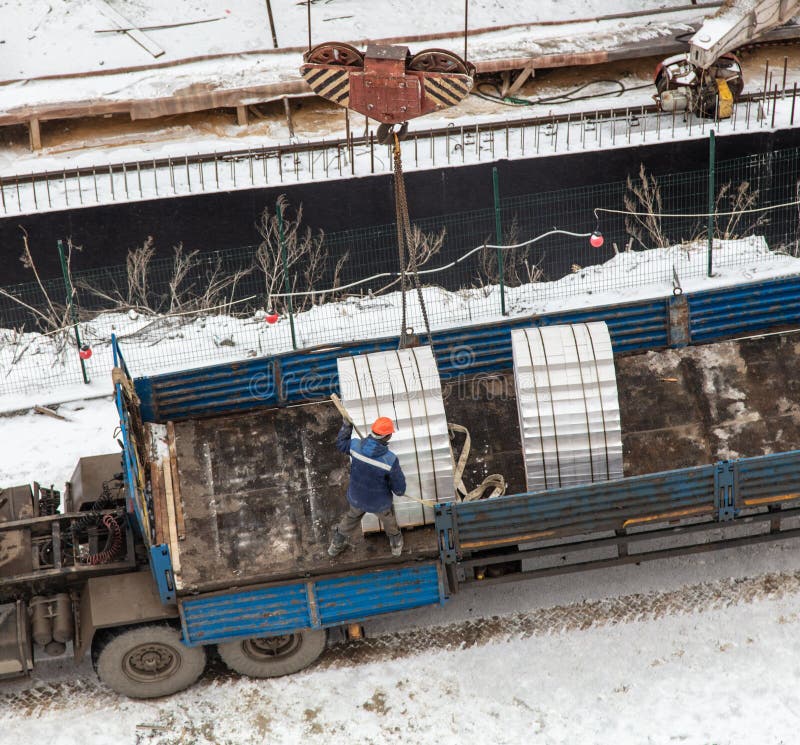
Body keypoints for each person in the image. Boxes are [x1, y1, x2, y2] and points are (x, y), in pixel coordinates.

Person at [328, 416, 406, 558]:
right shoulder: (390, 460)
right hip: (379, 503)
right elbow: (399, 490)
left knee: (350, 520)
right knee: (390, 523)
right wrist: (394, 487)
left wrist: (346, 427)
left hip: (357, 498)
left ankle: (335, 547)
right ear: (387, 437)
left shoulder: (356, 446)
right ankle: (396, 547)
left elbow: (341, 444)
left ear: (373, 431)